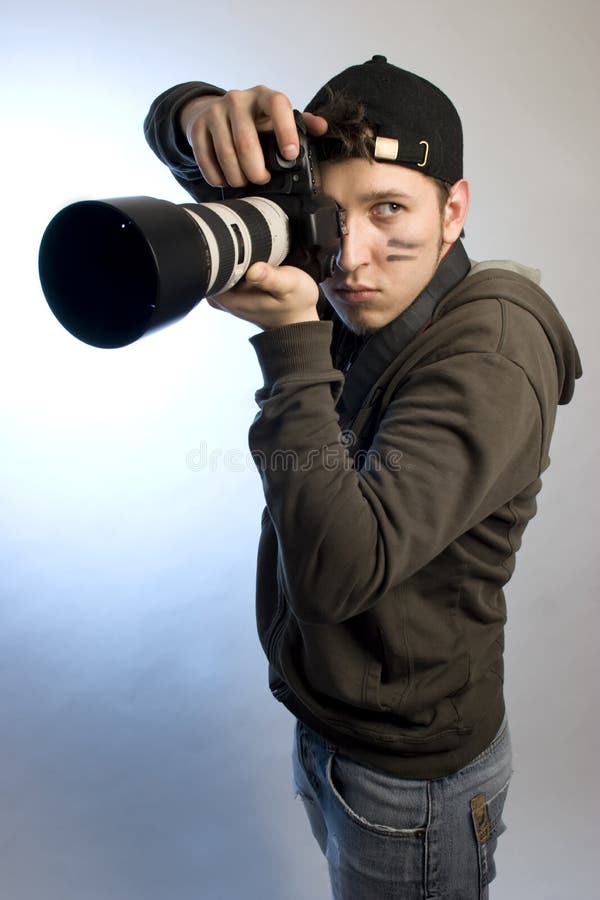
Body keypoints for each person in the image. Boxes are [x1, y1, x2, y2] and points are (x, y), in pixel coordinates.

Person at [144, 55, 581, 899]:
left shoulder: (491, 350)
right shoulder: (363, 288)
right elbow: (184, 138)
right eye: (327, 215)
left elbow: (336, 572)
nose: (350, 257)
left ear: (454, 209)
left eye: (390, 210)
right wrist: (195, 114)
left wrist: (290, 343)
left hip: (412, 782)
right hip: (334, 729)